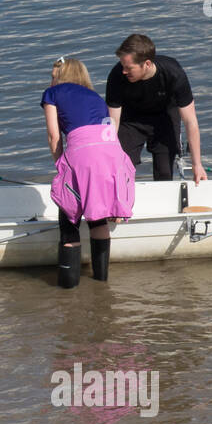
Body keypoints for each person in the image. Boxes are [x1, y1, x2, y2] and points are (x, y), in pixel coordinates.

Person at [42, 57, 136, 286]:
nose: (51, 80)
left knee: (68, 214)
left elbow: (54, 136)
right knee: (98, 216)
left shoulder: (52, 94)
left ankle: (68, 285)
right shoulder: (95, 96)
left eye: (53, 76)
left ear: (60, 76)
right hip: (112, 153)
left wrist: (60, 166)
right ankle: (101, 280)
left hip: (85, 152)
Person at [105, 33, 206, 184]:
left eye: (128, 68)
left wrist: (197, 165)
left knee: (164, 172)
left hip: (164, 117)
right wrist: (109, 156)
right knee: (121, 168)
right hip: (131, 119)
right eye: (122, 66)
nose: (124, 71)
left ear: (146, 63)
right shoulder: (116, 76)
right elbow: (112, 122)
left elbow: (190, 121)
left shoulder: (173, 73)